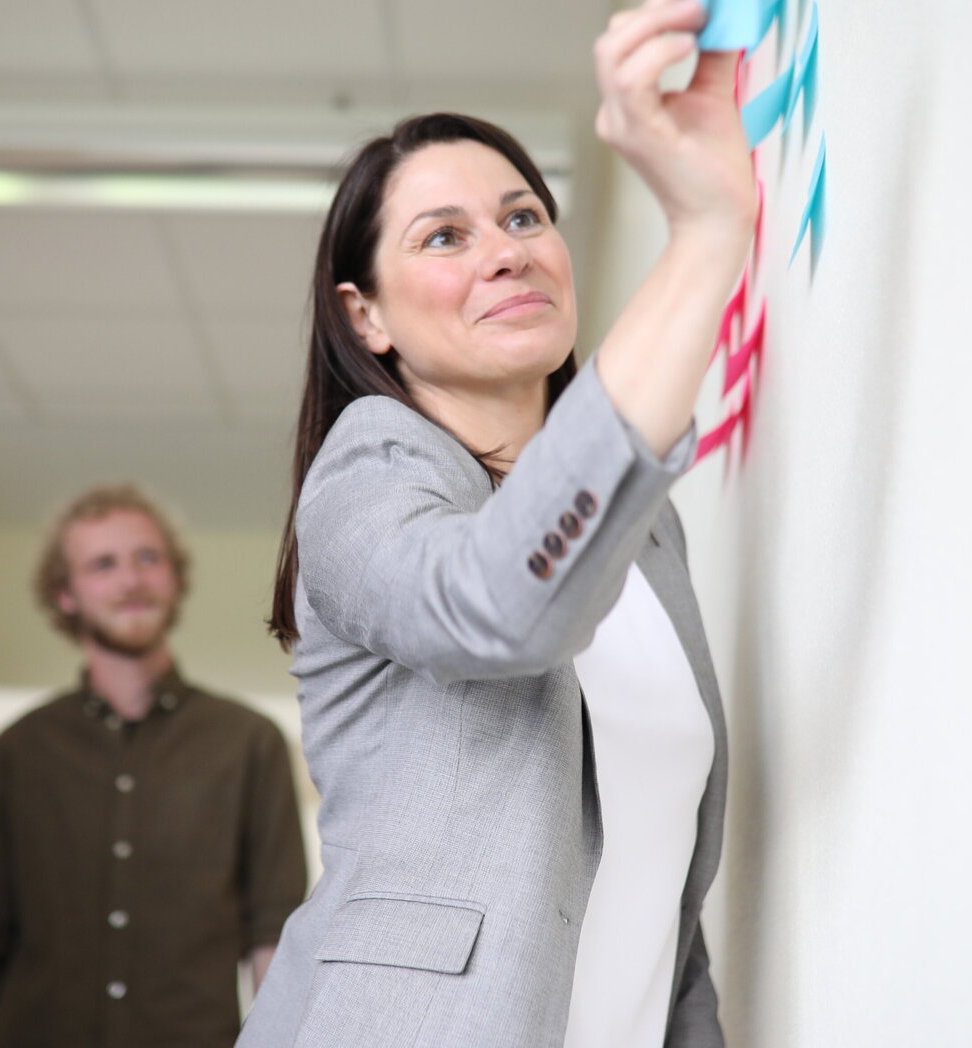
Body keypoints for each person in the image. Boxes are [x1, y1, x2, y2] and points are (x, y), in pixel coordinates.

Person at [240, 2, 755, 1045]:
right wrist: (707, 232)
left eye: (523, 217)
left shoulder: (644, 531)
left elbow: (661, 895)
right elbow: (497, 606)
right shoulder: (366, 478)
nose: (505, 252)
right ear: (365, 316)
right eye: (444, 237)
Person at [0, 484, 306, 1048]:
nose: (131, 580)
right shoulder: (18, 752)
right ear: (65, 594)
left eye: (148, 558)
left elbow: (276, 936)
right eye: (103, 564)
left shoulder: (248, 743)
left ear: (174, 577)